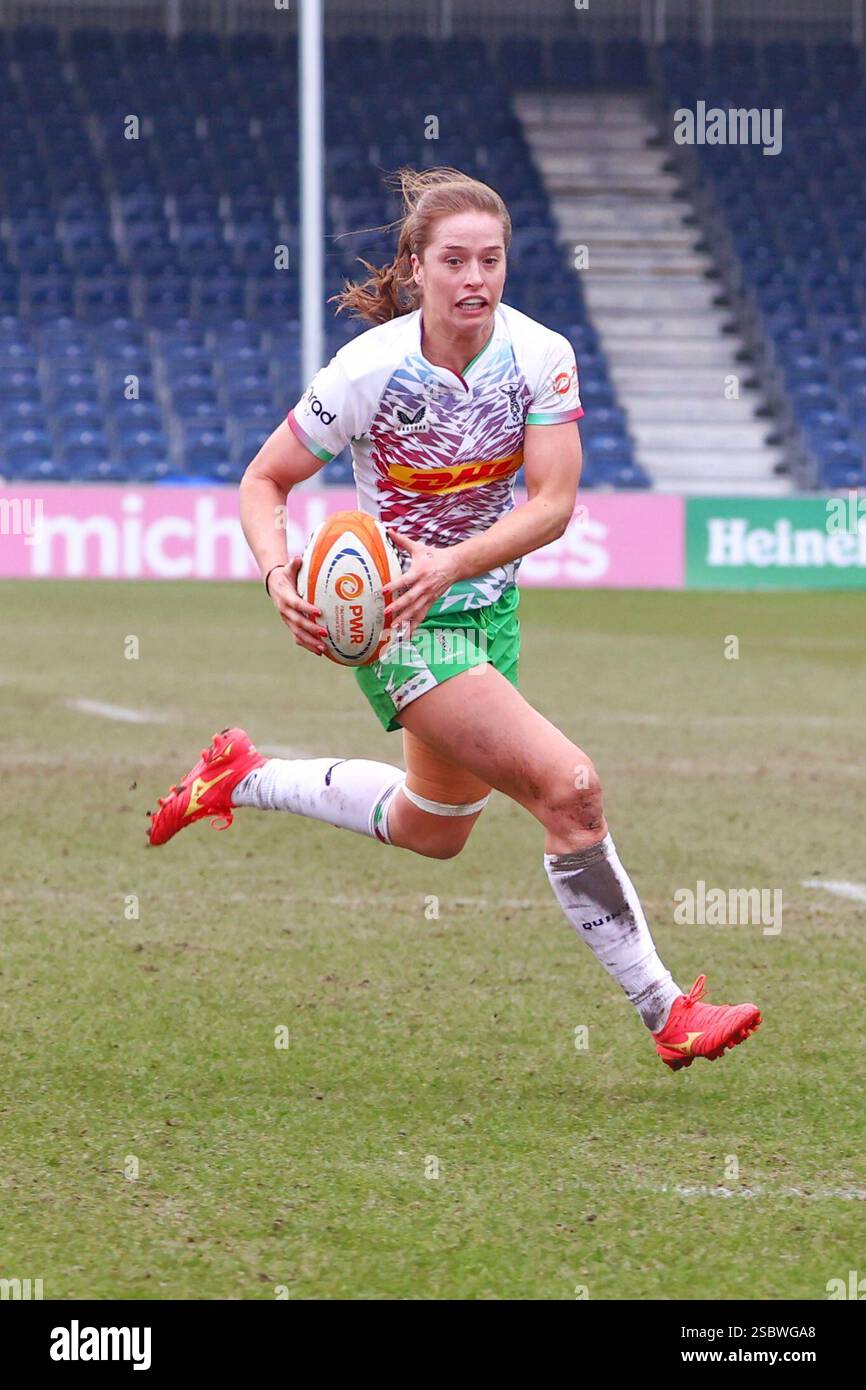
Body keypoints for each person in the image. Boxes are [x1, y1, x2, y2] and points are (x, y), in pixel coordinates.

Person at [148, 167, 761, 1071]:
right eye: (454, 261)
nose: (475, 279)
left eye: (492, 260)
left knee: (432, 828)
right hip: (398, 624)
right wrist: (279, 569)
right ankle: (668, 1012)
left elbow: (553, 503)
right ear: (419, 266)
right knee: (571, 789)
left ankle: (239, 778)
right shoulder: (367, 369)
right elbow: (263, 479)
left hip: (486, 611)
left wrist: (457, 564)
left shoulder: (541, 355)